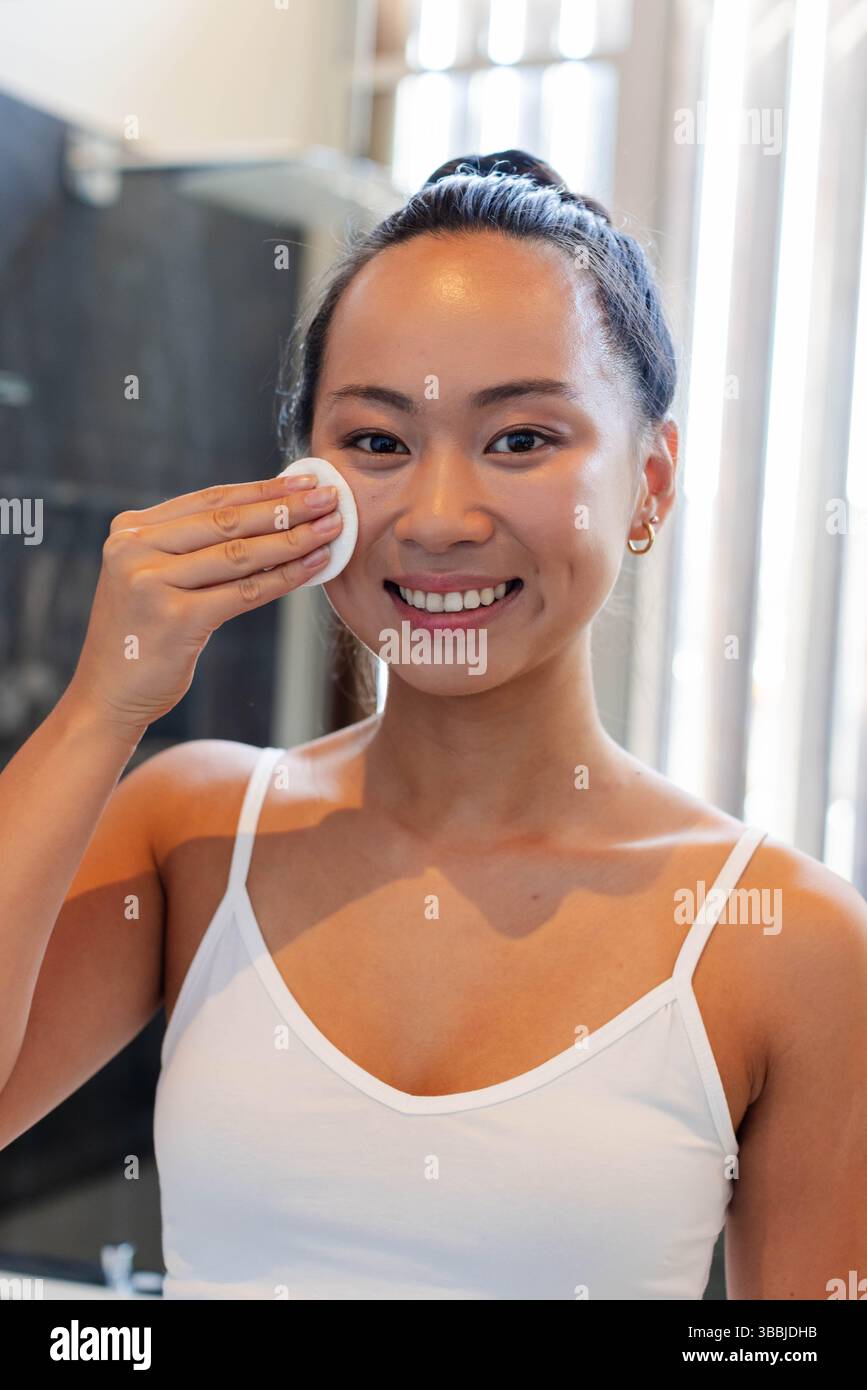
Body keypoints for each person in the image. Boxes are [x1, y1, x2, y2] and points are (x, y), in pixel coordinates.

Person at [1, 151, 864, 1300]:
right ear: (301, 482)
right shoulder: (196, 831)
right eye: (377, 442)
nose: (439, 518)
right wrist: (100, 702)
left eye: (520, 439)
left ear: (651, 479)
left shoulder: (789, 944)